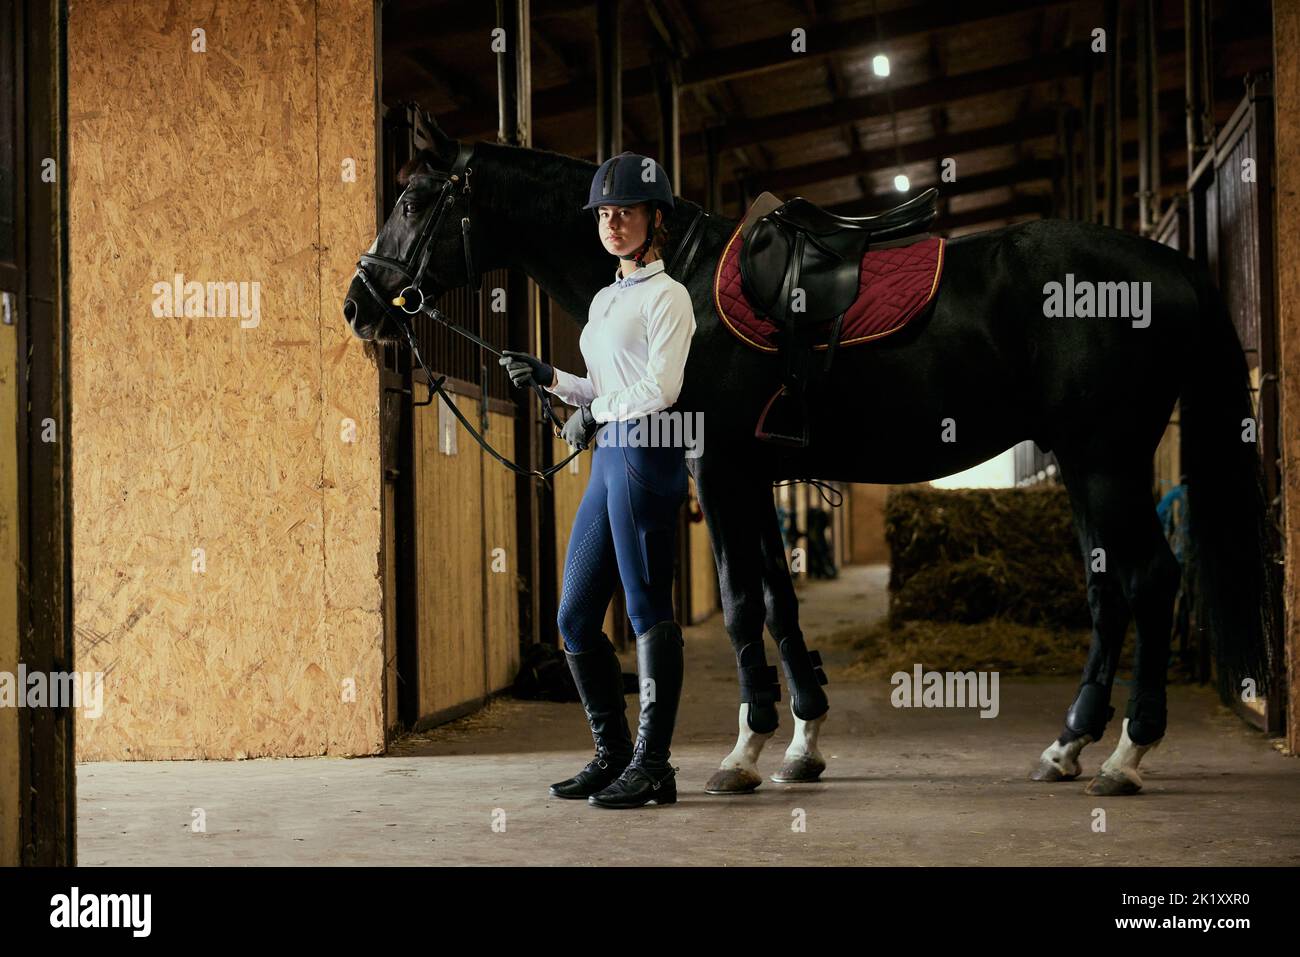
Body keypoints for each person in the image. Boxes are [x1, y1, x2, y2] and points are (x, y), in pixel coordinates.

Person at [499, 152, 696, 809]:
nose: (613, 223)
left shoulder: (669, 297)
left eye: (627, 212)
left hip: (647, 451)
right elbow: (609, 386)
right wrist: (554, 380)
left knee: (645, 609)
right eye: (606, 214)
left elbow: (661, 389)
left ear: (654, 219)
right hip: (611, 450)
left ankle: (655, 763)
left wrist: (593, 413)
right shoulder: (607, 298)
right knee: (576, 617)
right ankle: (613, 754)